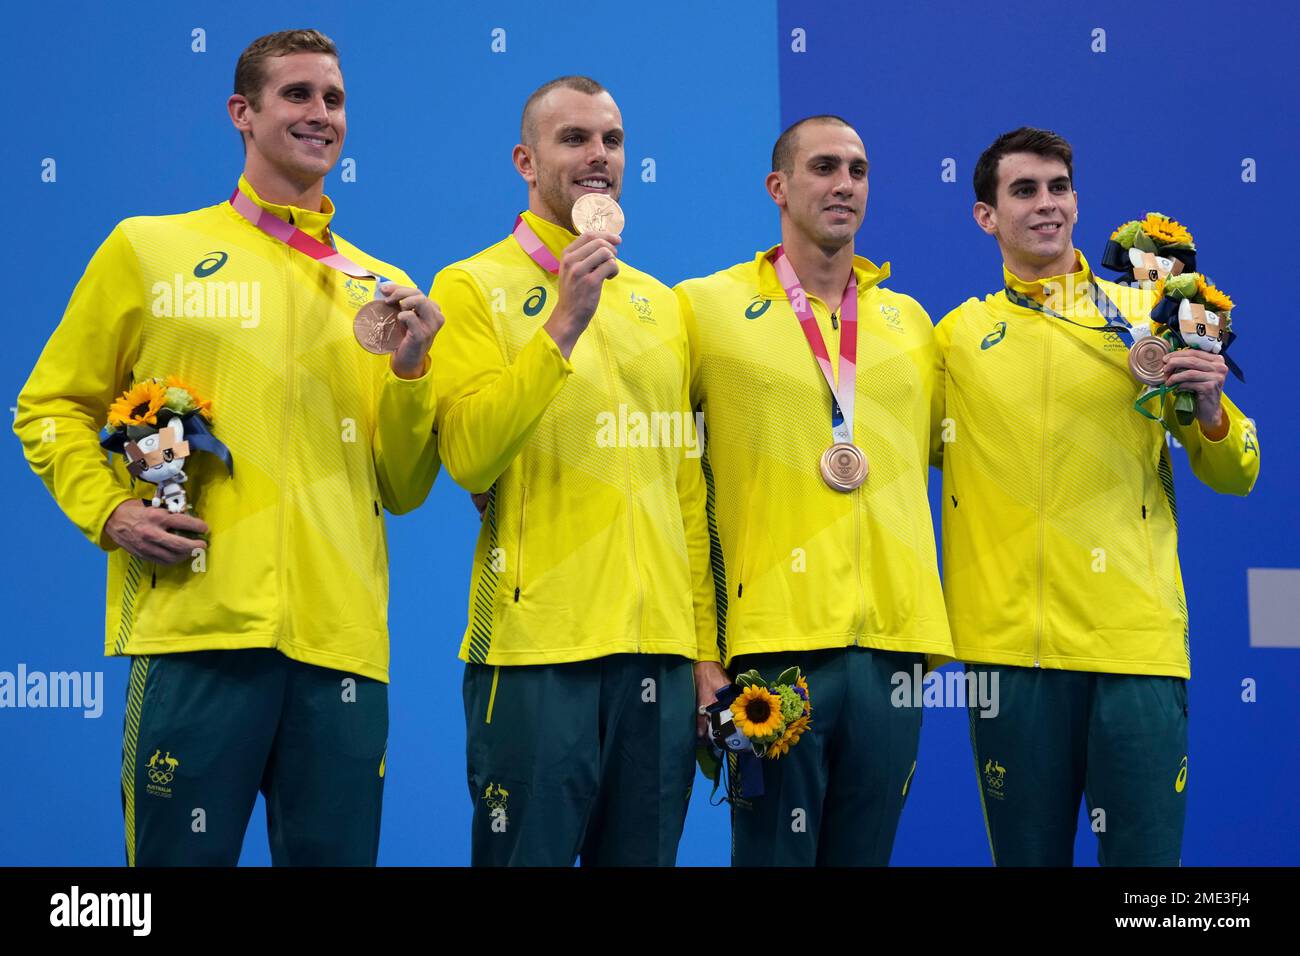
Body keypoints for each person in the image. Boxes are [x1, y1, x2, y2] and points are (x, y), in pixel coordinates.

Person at [13, 29, 443, 866]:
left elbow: (400, 484)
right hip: (195, 630)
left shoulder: (380, 287)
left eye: (334, 98)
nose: (321, 113)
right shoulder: (150, 249)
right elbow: (50, 405)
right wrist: (108, 512)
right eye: (297, 94)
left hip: (341, 650)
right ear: (241, 113)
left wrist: (413, 372)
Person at [932, 126, 1259, 866]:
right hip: (1012, 658)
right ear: (986, 216)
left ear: (1077, 200)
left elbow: (1239, 470)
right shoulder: (957, 337)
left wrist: (1209, 410)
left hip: (1134, 648)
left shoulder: (1150, 317)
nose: (1046, 205)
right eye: (1024, 190)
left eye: (1059, 188)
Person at [430, 75, 720, 867]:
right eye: (574, 139)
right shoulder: (471, 286)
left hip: (658, 658)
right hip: (535, 653)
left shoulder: (663, 305)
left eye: (612, 140)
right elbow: (467, 453)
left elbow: (686, 496)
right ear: (526, 160)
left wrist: (701, 651)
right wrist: (561, 323)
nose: (599, 157)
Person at [675, 115, 954, 866]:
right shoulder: (704, 309)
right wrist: (702, 653)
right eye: (825, 167)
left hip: (894, 652)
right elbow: (660, 475)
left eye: (858, 171)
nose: (844, 185)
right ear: (779, 187)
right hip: (770, 653)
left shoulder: (911, 325)